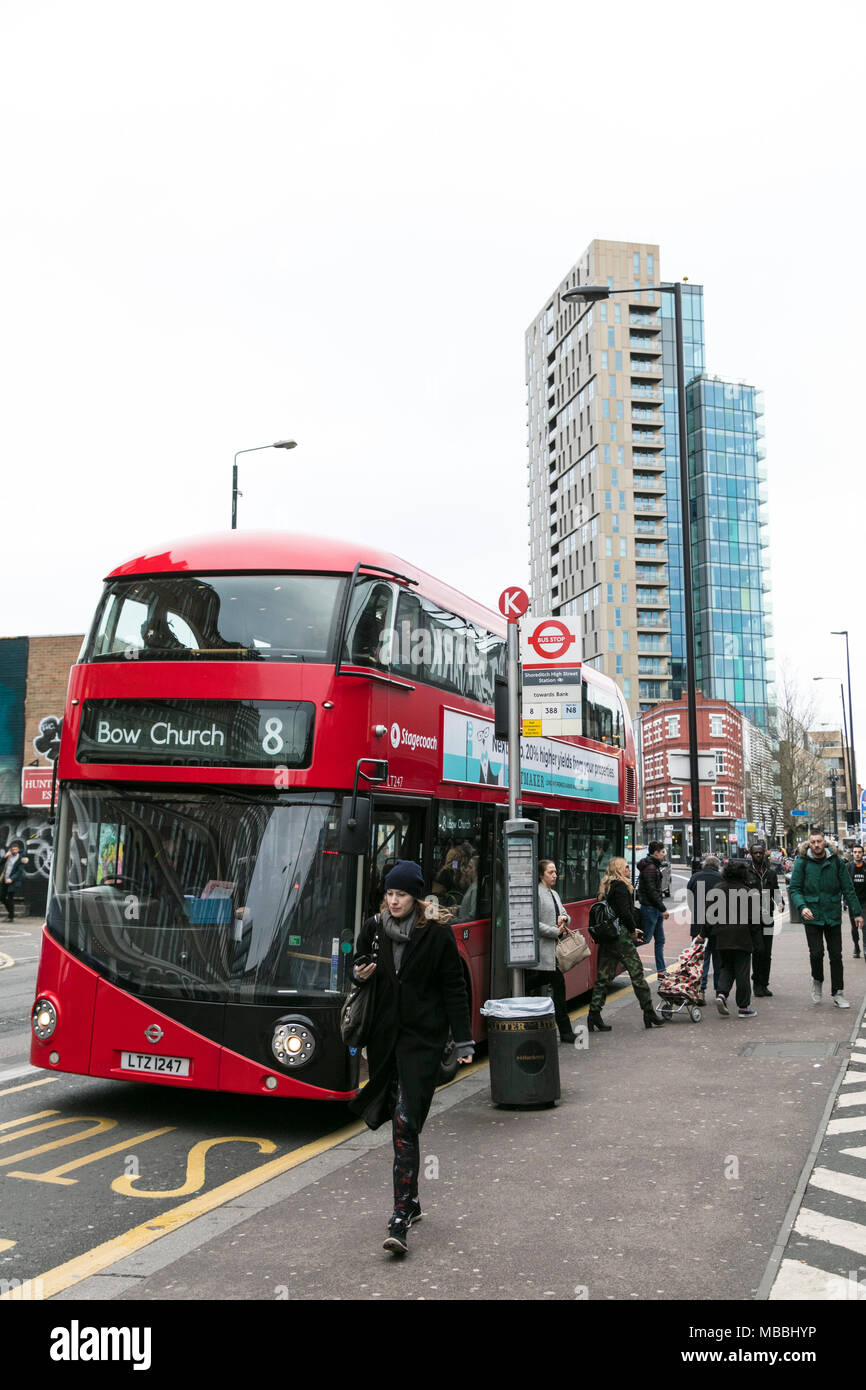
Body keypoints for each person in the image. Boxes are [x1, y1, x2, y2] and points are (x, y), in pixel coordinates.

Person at [349, 860, 474, 1257]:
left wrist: (465, 1040)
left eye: (400, 894)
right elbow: (355, 967)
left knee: (404, 1120)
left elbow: (454, 990)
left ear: (416, 898)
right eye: (389, 893)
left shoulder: (436, 935)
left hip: (422, 1043)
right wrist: (360, 974)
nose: (393, 900)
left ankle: (399, 1216)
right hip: (385, 1041)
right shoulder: (374, 930)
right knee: (402, 1123)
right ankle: (413, 1201)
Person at [587, 857, 666, 1032]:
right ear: (620, 869)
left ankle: (593, 1015)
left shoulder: (606, 887)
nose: (629, 870)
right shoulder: (621, 887)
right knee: (637, 973)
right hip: (620, 936)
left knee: (603, 977)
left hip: (609, 937)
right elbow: (624, 912)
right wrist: (632, 930)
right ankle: (649, 1012)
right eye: (626, 867)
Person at [789, 829, 863, 1009]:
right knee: (816, 953)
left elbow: (848, 888)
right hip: (812, 915)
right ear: (809, 843)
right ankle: (817, 980)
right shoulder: (802, 863)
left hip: (832, 914)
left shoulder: (836, 862)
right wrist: (802, 906)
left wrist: (857, 912)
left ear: (825, 842)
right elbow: (794, 888)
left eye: (819, 841)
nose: (816, 845)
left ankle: (838, 992)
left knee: (836, 955)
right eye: (813, 842)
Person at [527, 859, 577, 1043]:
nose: (555, 875)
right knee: (557, 983)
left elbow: (565, 913)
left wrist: (565, 918)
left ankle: (564, 1031)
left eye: (555, 872)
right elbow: (534, 923)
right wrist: (555, 931)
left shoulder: (554, 893)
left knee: (543, 980)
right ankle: (566, 1031)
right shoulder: (537, 894)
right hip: (542, 949)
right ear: (541, 875)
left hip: (553, 949)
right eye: (550, 872)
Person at [712, 859, 762, 1019]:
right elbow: (755, 921)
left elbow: (710, 915)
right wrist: (758, 942)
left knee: (726, 968)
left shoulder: (717, 889)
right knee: (742, 972)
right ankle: (744, 1007)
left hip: (722, 936)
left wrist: (703, 934)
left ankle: (721, 995)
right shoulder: (748, 892)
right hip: (742, 937)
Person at [744, 843, 784, 998]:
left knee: (767, 953)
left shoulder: (771, 873)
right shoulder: (746, 873)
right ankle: (756, 983)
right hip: (753, 918)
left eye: (761, 853)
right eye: (756, 853)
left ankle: (764, 984)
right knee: (758, 950)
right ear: (751, 855)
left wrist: (780, 902)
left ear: (765, 854)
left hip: (768, 917)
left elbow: (775, 891)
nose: (759, 855)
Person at [687, 854, 723, 1004]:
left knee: (700, 960)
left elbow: (690, 899)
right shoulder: (721, 878)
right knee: (718, 960)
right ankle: (719, 991)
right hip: (717, 925)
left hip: (698, 924)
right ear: (717, 866)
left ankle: (700, 991)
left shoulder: (695, 877)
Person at [635, 841, 669, 974]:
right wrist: (663, 908)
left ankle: (661, 970)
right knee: (645, 938)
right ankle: (623, 949)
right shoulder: (650, 868)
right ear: (656, 853)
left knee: (660, 940)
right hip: (650, 909)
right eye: (662, 852)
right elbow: (652, 892)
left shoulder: (653, 866)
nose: (664, 854)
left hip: (655, 909)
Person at [1, 840, 27, 921]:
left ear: (18, 850)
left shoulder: (21, 858)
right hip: (4, 880)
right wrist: (4, 857)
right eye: (13, 850)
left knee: (10, 898)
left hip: (13, 882)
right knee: (2, 897)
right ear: (10, 850)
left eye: (16, 849)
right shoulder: (8, 856)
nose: (14, 851)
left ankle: (11, 916)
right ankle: (11, 914)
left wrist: (12, 879)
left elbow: (20, 871)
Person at [847, 845, 866, 958]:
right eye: (855, 852)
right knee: (854, 928)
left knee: (865, 926)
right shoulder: (848, 867)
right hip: (852, 902)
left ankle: (865, 947)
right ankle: (856, 946)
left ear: (863, 853)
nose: (857, 854)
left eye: (859, 852)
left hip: (864, 902)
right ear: (852, 853)